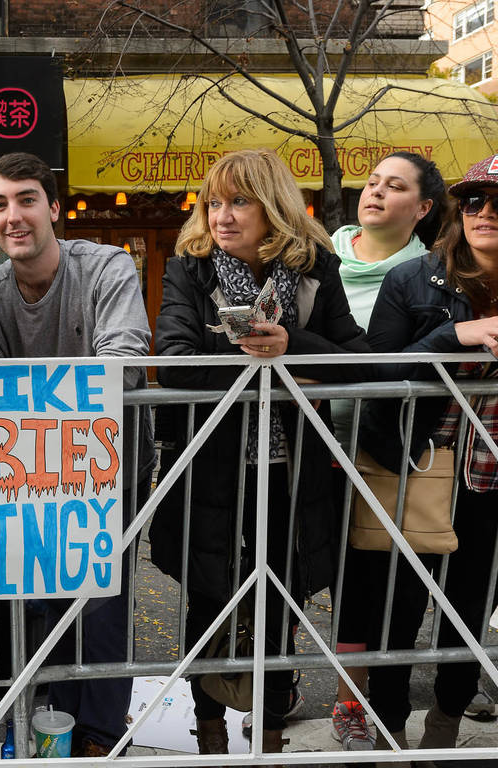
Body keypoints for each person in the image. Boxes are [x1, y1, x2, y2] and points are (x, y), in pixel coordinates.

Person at [148, 149, 369, 756]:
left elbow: (358, 357)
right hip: (210, 467)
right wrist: (254, 359)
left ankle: (269, 738)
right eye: (213, 202)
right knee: (208, 600)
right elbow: (174, 362)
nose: (221, 216)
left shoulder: (315, 269)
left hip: (292, 472)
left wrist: (292, 345)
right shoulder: (191, 269)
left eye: (239, 201)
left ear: (273, 207)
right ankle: (210, 734)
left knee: (281, 604)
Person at [0, 151, 156, 757]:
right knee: (38, 598)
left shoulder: (106, 266)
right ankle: (51, 723)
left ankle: (101, 737)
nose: (13, 216)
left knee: (102, 601)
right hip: (28, 472)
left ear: (54, 208)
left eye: (26, 200)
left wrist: (14, 379)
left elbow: (126, 361)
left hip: (108, 467)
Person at [358, 152, 498, 756]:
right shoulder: (414, 278)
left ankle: (445, 723)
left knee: (470, 609)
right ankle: (389, 730)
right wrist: (452, 335)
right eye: (473, 200)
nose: (484, 213)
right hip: (419, 464)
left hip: (489, 478)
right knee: (398, 607)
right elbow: (376, 372)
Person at [327, 152, 447, 751]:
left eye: (394, 186)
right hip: (311, 442)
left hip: (385, 449)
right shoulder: (320, 254)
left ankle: (360, 702)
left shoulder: (430, 274)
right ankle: (279, 690)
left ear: (422, 208)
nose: (374, 192)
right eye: (372, 181)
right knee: (310, 576)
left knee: (377, 581)